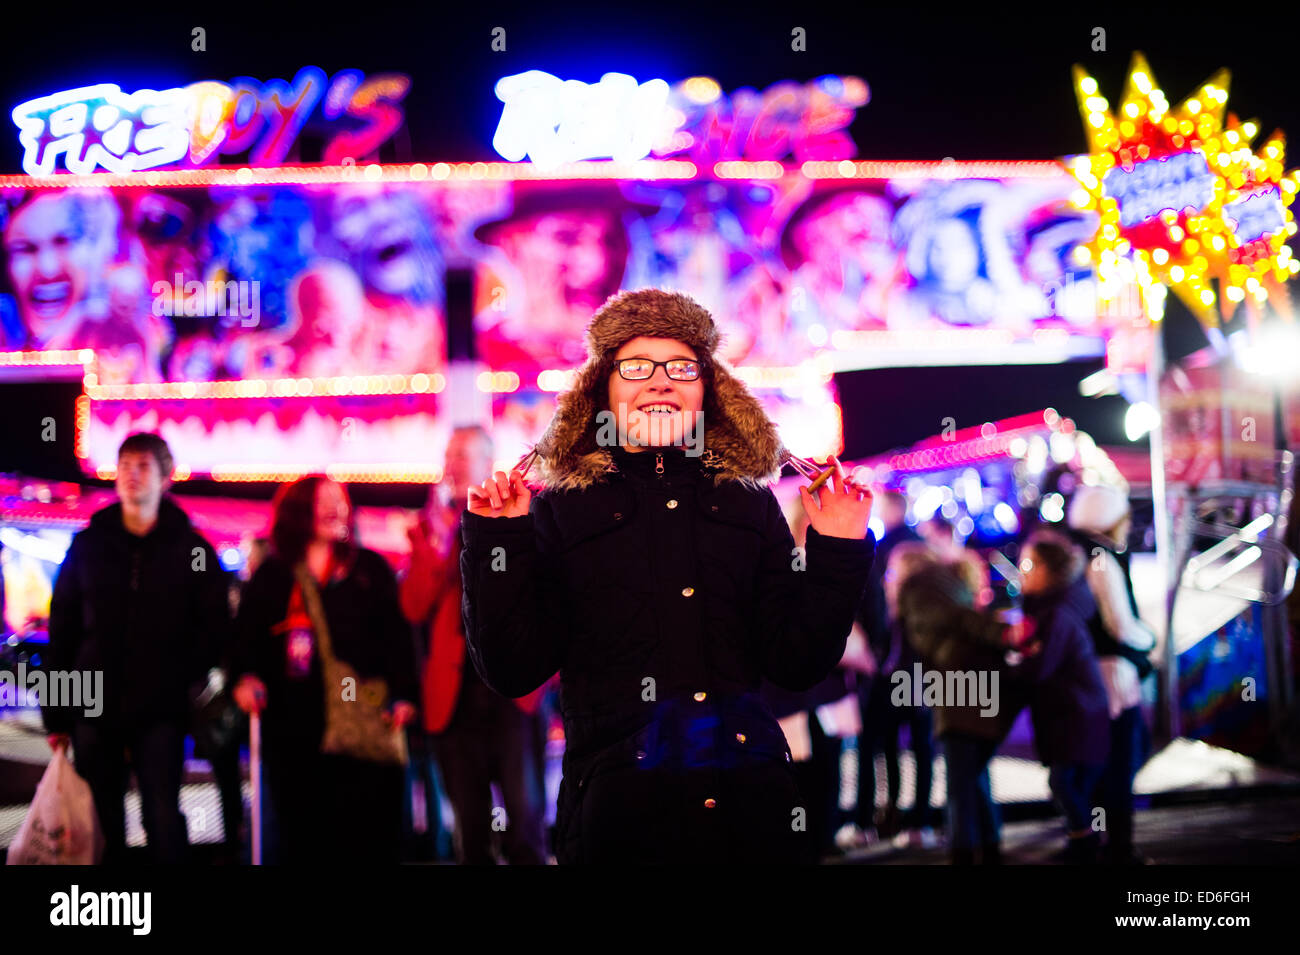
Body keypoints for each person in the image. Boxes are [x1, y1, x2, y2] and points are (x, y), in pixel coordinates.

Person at [459, 288, 875, 864]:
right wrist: (496, 540)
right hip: (620, 820)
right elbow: (512, 667)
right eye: (636, 367)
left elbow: (796, 661)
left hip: (750, 815)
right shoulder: (563, 509)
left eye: (682, 367)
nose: (660, 381)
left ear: (708, 389)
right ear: (602, 389)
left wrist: (839, 546)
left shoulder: (748, 504)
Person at [43, 432, 230, 864]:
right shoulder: (88, 544)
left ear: (166, 477)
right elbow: (63, 630)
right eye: (125, 465)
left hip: (161, 708)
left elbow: (215, 625)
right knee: (102, 821)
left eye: (143, 466)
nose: (131, 475)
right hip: (93, 704)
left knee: (162, 815)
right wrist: (57, 712)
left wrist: (183, 676)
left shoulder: (192, 549)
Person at [230, 477, 418, 864]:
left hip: (364, 724)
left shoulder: (370, 570)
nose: (337, 508)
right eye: (324, 501)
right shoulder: (274, 575)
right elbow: (244, 641)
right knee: (302, 838)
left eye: (341, 500)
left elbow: (399, 640)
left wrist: (405, 695)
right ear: (299, 512)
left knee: (367, 837)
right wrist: (244, 679)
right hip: (294, 732)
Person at [400, 425, 549, 864]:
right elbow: (414, 606)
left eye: (463, 456)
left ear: (488, 463)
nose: (454, 465)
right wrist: (439, 541)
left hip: (513, 695)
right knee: (470, 831)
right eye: (450, 456)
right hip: (456, 696)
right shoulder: (429, 530)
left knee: (524, 823)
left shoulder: (521, 515)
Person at [893, 543, 1022, 864]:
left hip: (958, 686)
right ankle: (988, 846)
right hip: (970, 682)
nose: (888, 578)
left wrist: (1004, 634)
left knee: (960, 778)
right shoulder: (942, 586)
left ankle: (964, 851)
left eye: (894, 570)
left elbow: (956, 620)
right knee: (973, 773)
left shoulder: (920, 587)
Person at [1067, 484, 1158, 865]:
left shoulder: (1072, 550)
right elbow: (1121, 625)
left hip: (1081, 676)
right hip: (1113, 677)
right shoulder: (1103, 558)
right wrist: (1150, 640)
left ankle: (1088, 838)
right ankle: (1119, 848)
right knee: (1120, 764)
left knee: (1093, 763)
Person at [1015, 529, 1111, 864]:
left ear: (1049, 570)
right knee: (1070, 783)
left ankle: (1085, 842)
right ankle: (1083, 840)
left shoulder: (1055, 613)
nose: (1021, 570)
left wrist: (1015, 660)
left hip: (1076, 713)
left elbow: (1039, 667)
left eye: (1029, 563)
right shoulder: (1050, 608)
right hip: (1073, 711)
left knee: (1065, 782)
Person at [854, 489, 932, 841]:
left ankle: (903, 819)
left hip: (907, 678)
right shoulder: (908, 550)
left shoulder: (910, 600)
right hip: (904, 678)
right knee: (907, 747)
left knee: (901, 746)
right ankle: (905, 818)